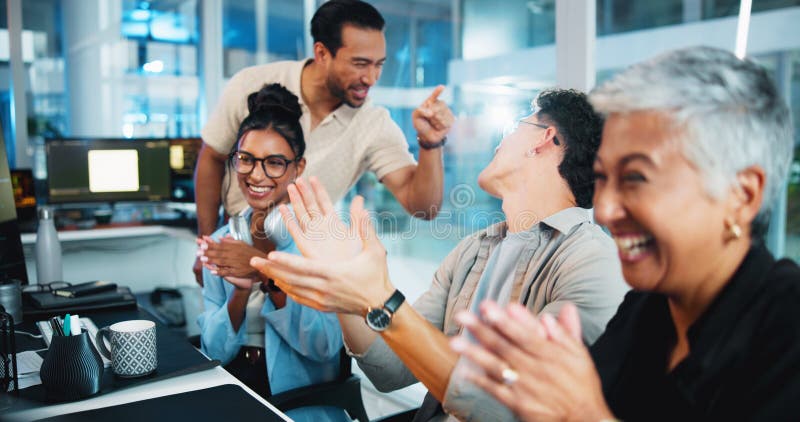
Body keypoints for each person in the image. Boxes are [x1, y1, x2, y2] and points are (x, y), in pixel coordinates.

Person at [451, 46, 800, 421]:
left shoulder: (787, 331)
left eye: (635, 177)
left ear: (741, 195)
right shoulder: (644, 312)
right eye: (603, 178)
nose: (605, 210)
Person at [251, 89, 629, 420]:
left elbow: (509, 409)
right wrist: (347, 292)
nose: (500, 140)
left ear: (544, 139)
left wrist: (378, 298)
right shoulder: (474, 249)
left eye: (515, 125)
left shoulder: (592, 262)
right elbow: (389, 370)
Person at [193, 0, 454, 285]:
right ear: (322, 53)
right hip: (234, 250)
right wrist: (205, 242)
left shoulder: (374, 124)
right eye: (359, 64)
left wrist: (431, 144)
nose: (371, 78)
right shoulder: (251, 85)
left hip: (301, 270)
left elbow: (424, 208)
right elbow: (212, 158)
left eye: (378, 65)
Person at [196, 83, 348, 422]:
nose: (257, 174)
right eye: (246, 160)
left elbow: (324, 346)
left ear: (298, 167)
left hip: (301, 408)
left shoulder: (321, 242)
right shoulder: (224, 241)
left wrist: (266, 274)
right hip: (236, 398)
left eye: (275, 163)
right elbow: (213, 351)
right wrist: (239, 291)